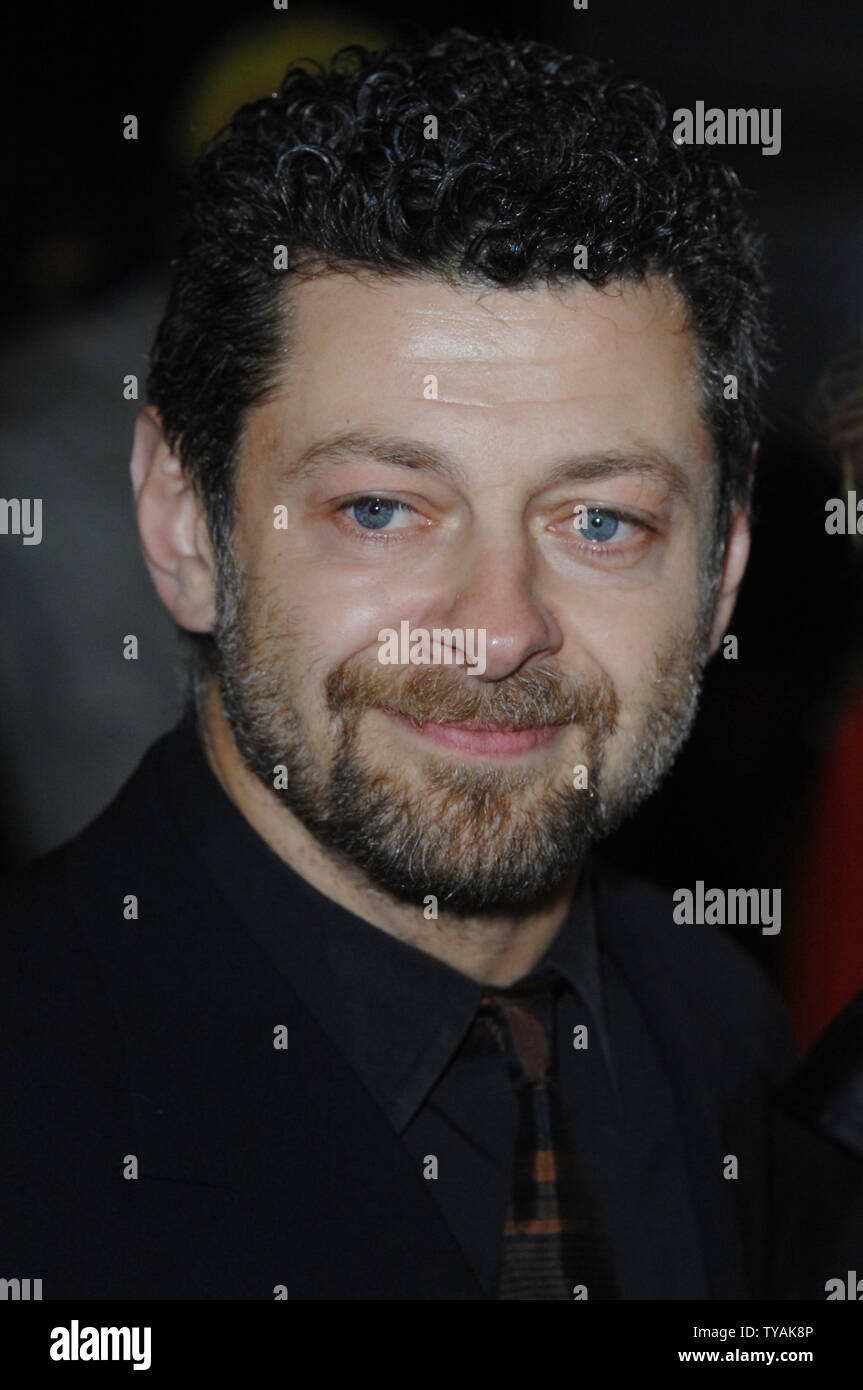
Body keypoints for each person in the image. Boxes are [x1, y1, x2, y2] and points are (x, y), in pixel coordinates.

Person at [1, 28, 793, 1300]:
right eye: (378, 508)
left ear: (720, 573)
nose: (490, 631)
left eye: (601, 521)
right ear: (184, 522)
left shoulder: (719, 1031)